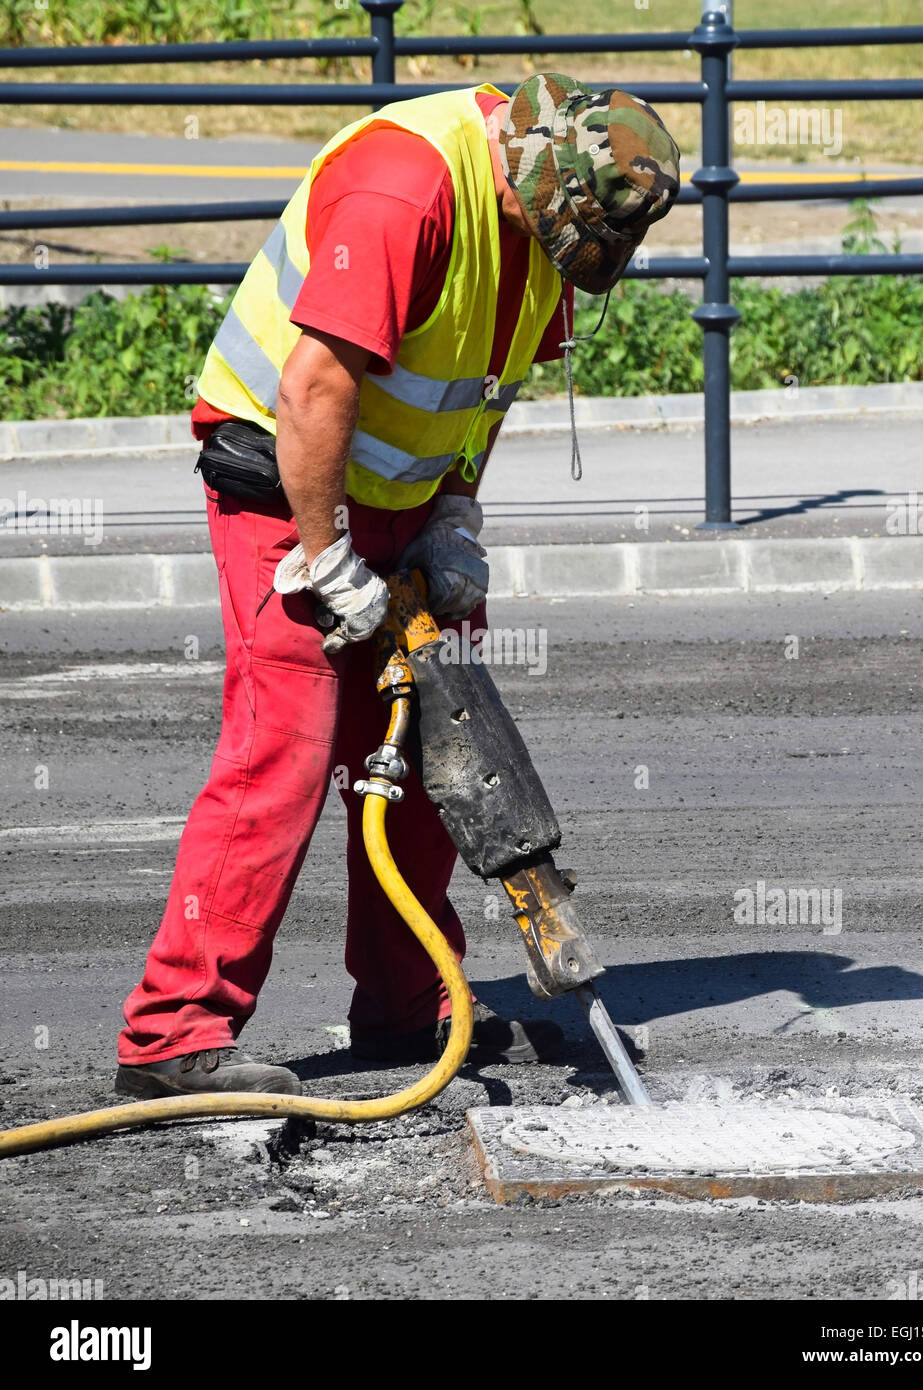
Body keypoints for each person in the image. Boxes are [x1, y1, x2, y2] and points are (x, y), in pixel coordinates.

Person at [115, 72, 680, 1098]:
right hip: (285, 477)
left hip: (407, 500)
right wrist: (325, 555)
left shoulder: (544, 221)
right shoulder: (405, 186)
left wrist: (457, 509)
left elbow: (485, 387)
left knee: (442, 753)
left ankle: (406, 1006)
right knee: (283, 752)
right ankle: (174, 1036)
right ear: (535, 180)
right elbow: (315, 383)